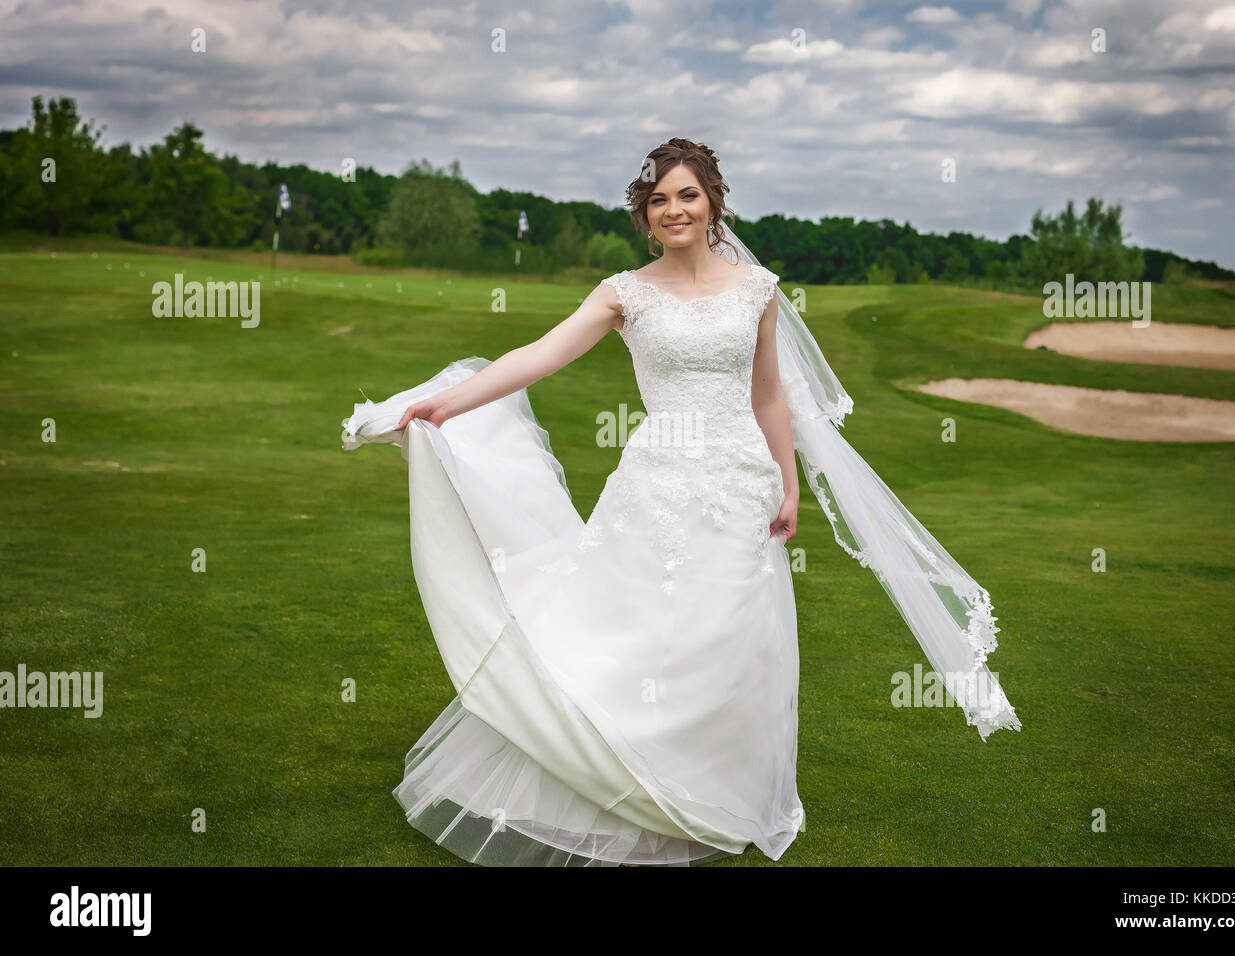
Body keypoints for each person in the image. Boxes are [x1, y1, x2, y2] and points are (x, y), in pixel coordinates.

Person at [341, 138, 1020, 867]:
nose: (674, 210)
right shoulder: (622, 293)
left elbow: (768, 394)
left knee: (724, 637)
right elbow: (536, 355)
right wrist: (443, 406)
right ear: (645, 213)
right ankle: (627, 782)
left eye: (687, 195)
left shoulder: (758, 287)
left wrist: (788, 483)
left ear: (713, 202)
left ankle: (704, 789)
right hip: (656, 480)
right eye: (659, 199)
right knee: (639, 631)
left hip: (740, 481)